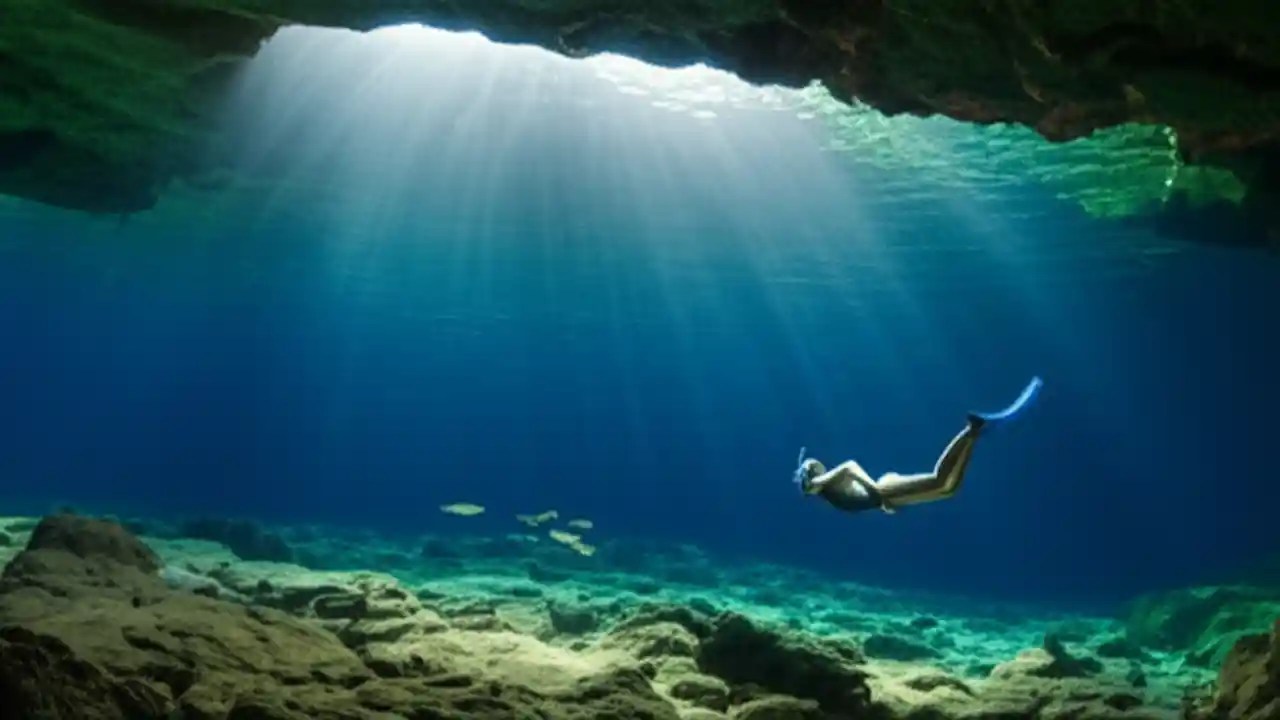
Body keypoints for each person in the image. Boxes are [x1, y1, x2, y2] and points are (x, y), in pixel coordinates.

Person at [793, 377, 1042, 514]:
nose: (813, 463)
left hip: (883, 488)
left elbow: (850, 466)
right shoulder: (820, 487)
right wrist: (878, 502)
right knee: (948, 490)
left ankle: (971, 430)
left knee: (939, 480)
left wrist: (876, 495)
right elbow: (840, 485)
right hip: (884, 494)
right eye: (810, 466)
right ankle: (974, 434)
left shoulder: (819, 484)